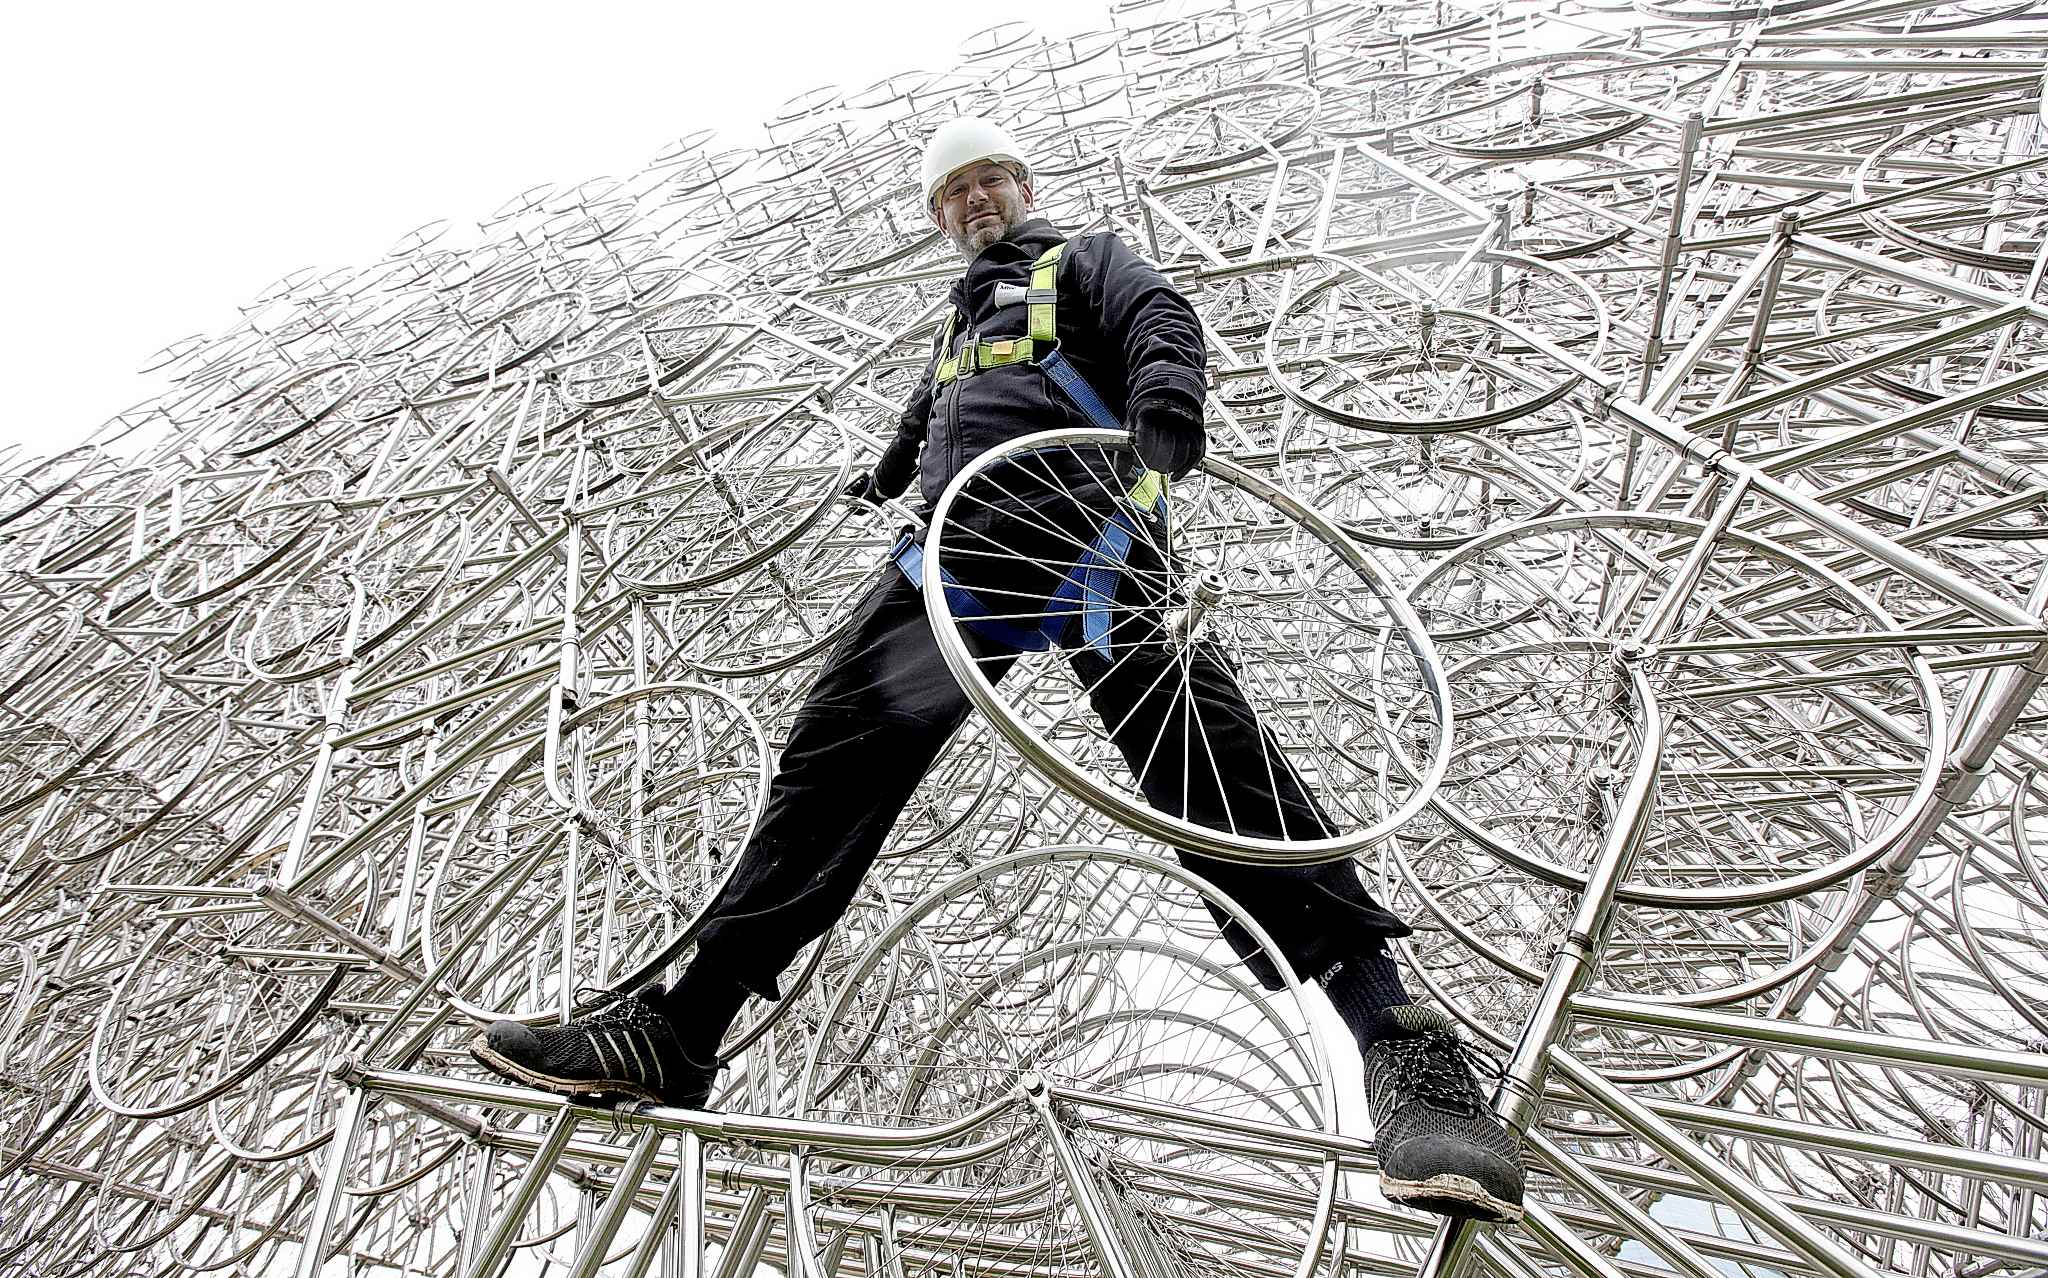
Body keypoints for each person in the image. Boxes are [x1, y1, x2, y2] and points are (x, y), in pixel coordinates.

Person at [471, 118, 1525, 1223]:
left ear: (1022, 186)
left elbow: (1157, 317)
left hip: (1089, 541)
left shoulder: (1087, 260)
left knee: (1219, 773)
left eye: (987, 181)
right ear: (937, 216)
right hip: (956, 567)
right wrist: (895, 456)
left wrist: (1165, 392)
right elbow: (947, 402)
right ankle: (680, 1031)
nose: (973, 200)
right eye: (951, 192)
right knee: (826, 773)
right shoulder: (958, 321)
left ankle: (1407, 1060)